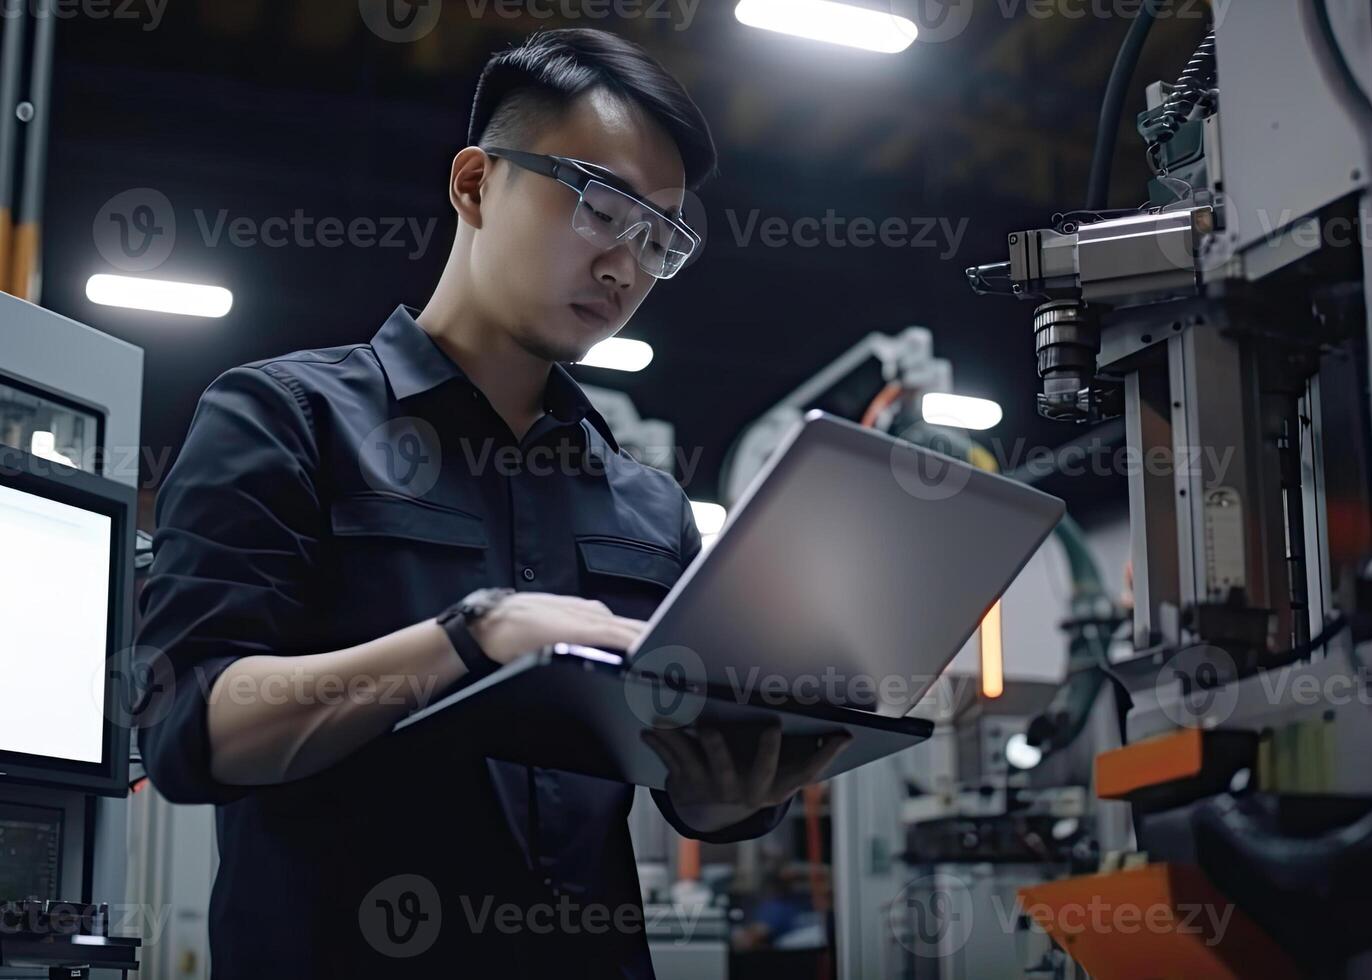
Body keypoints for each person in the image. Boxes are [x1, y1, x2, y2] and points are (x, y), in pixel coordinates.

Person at [135, 28, 846, 978]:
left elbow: (678, 788)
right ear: (474, 183)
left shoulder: (648, 506)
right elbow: (191, 729)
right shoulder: (282, 419)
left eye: (658, 238)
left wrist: (734, 794)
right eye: (601, 206)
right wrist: (477, 634)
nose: (624, 266)